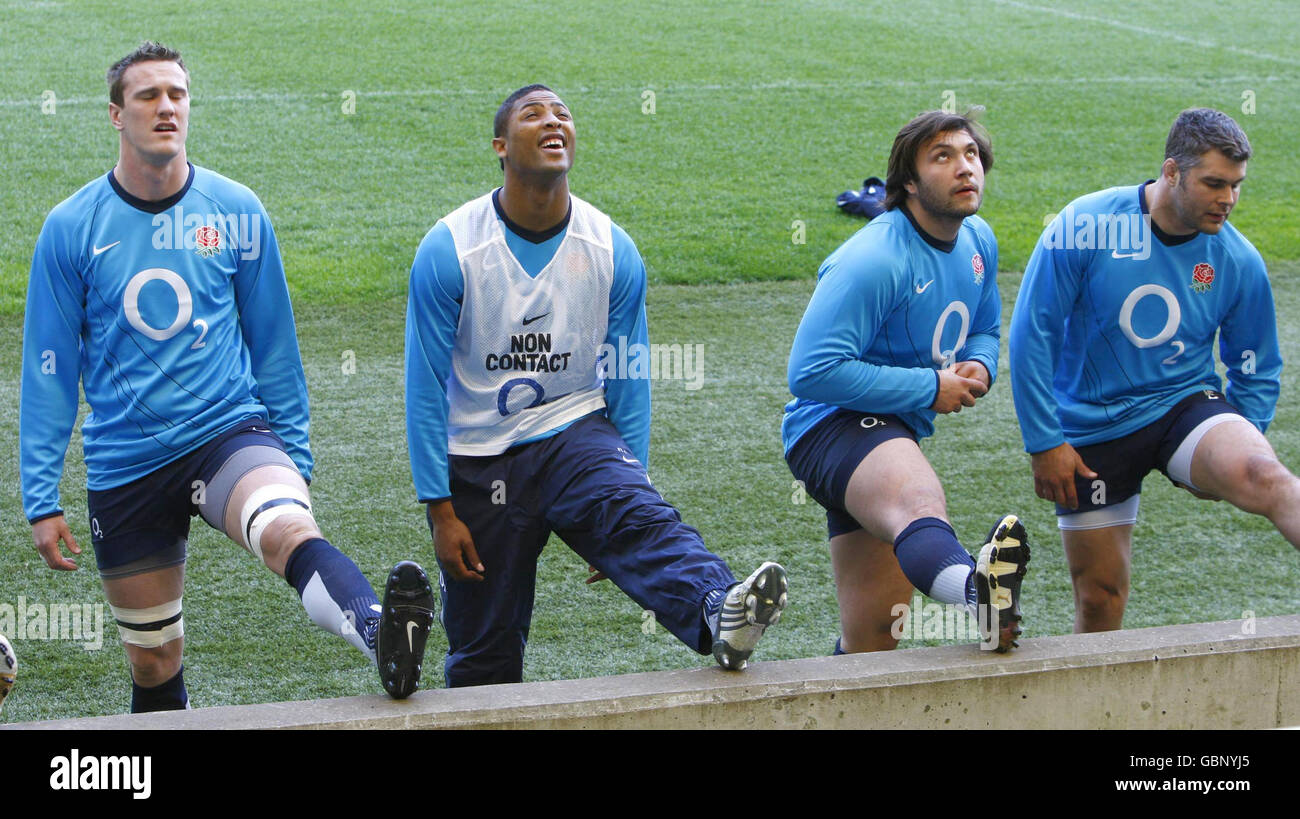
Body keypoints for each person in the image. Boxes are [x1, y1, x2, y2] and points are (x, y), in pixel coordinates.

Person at [19, 42, 434, 711]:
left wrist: (293, 453)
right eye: (148, 96)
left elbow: (274, 346)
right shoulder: (72, 228)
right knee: (154, 659)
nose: (165, 108)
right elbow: (49, 369)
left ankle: (381, 630)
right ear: (115, 115)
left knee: (287, 527)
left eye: (177, 95)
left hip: (226, 433)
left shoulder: (233, 213)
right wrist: (41, 496)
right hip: (126, 461)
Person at [405, 84, 787, 687]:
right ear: (501, 147)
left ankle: (721, 609)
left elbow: (629, 376)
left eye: (563, 114)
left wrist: (632, 478)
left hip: (572, 433)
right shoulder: (450, 249)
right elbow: (424, 384)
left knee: (643, 520)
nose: (553, 121)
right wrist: (439, 508)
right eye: (533, 115)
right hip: (478, 457)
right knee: (483, 648)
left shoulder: (612, 247)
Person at [1010, 107, 1298, 632]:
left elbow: (1255, 363)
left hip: (1185, 407)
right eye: (1214, 183)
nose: (1228, 200)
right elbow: (1033, 336)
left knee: (1265, 475)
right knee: (1100, 598)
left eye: (1236, 185)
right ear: (1171, 172)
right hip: (1091, 429)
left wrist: (1247, 431)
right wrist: (1044, 442)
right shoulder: (1085, 226)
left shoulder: (1237, 259)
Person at [784, 110, 1030, 655]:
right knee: (920, 500)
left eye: (970, 154)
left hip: (890, 430)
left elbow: (986, 327)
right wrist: (927, 388)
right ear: (909, 183)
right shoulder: (873, 260)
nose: (964, 167)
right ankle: (979, 593)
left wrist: (982, 364)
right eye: (941, 157)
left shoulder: (977, 240)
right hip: (831, 427)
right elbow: (810, 371)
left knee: (873, 641)